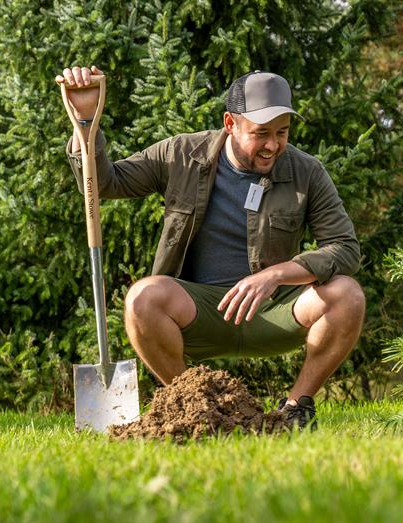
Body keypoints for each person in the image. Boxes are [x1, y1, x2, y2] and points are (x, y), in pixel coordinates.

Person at [60, 65, 365, 430]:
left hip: (273, 312)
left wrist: (276, 275)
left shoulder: (306, 172)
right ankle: (193, 405)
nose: (273, 145)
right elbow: (107, 182)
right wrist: (85, 121)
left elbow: (345, 248)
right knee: (143, 297)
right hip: (198, 312)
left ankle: (295, 409)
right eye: (261, 133)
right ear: (230, 123)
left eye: (282, 132)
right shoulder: (182, 154)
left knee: (347, 294)